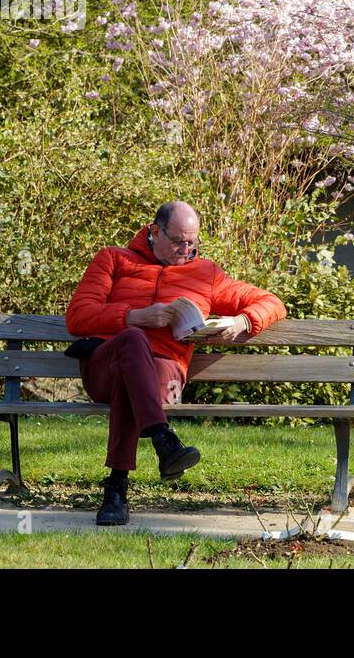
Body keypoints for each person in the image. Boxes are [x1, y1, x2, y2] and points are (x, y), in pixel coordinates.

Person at [64, 200, 287, 525]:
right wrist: (133, 317)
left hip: (163, 376)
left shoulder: (207, 274)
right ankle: (162, 439)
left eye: (192, 241)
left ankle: (117, 487)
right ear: (154, 231)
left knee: (134, 378)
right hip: (105, 369)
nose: (186, 249)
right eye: (178, 240)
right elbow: (78, 317)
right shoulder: (113, 259)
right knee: (133, 339)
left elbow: (272, 302)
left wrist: (241, 323)